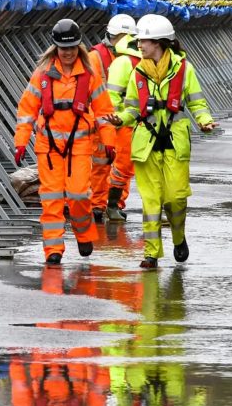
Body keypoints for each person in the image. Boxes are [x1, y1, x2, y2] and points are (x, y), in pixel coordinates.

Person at [14, 18, 118, 264]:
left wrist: (109, 141)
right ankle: (53, 250)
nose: (68, 53)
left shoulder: (89, 76)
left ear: (78, 47)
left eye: (72, 48)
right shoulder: (42, 75)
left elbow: (104, 112)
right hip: (48, 148)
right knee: (51, 200)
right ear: (56, 48)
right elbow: (27, 109)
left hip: (80, 147)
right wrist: (21, 141)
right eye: (63, 48)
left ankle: (83, 235)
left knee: (79, 195)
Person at [118, 14, 216, 269]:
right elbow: (131, 109)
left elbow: (196, 102)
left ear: (160, 42)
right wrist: (119, 120)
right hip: (146, 144)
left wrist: (204, 120)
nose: (139, 45)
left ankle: (178, 237)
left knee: (175, 199)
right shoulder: (137, 72)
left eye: (144, 41)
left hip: (175, 142)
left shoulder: (185, 70)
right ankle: (151, 254)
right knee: (151, 202)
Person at [89, 14, 137, 223]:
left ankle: (114, 204)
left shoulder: (131, 58)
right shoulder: (95, 57)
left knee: (123, 166)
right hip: (100, 119)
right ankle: (96, 205)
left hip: (123, 120)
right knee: (100, 163)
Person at [102, 21, 145, 224]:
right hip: (130, 123)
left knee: (138, 167)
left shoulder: (127, 60)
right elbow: (113, 97)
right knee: (123, 167)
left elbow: (112, 96)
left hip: (136, 123)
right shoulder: (131, 60)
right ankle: (113, 206)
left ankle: (116, 206)